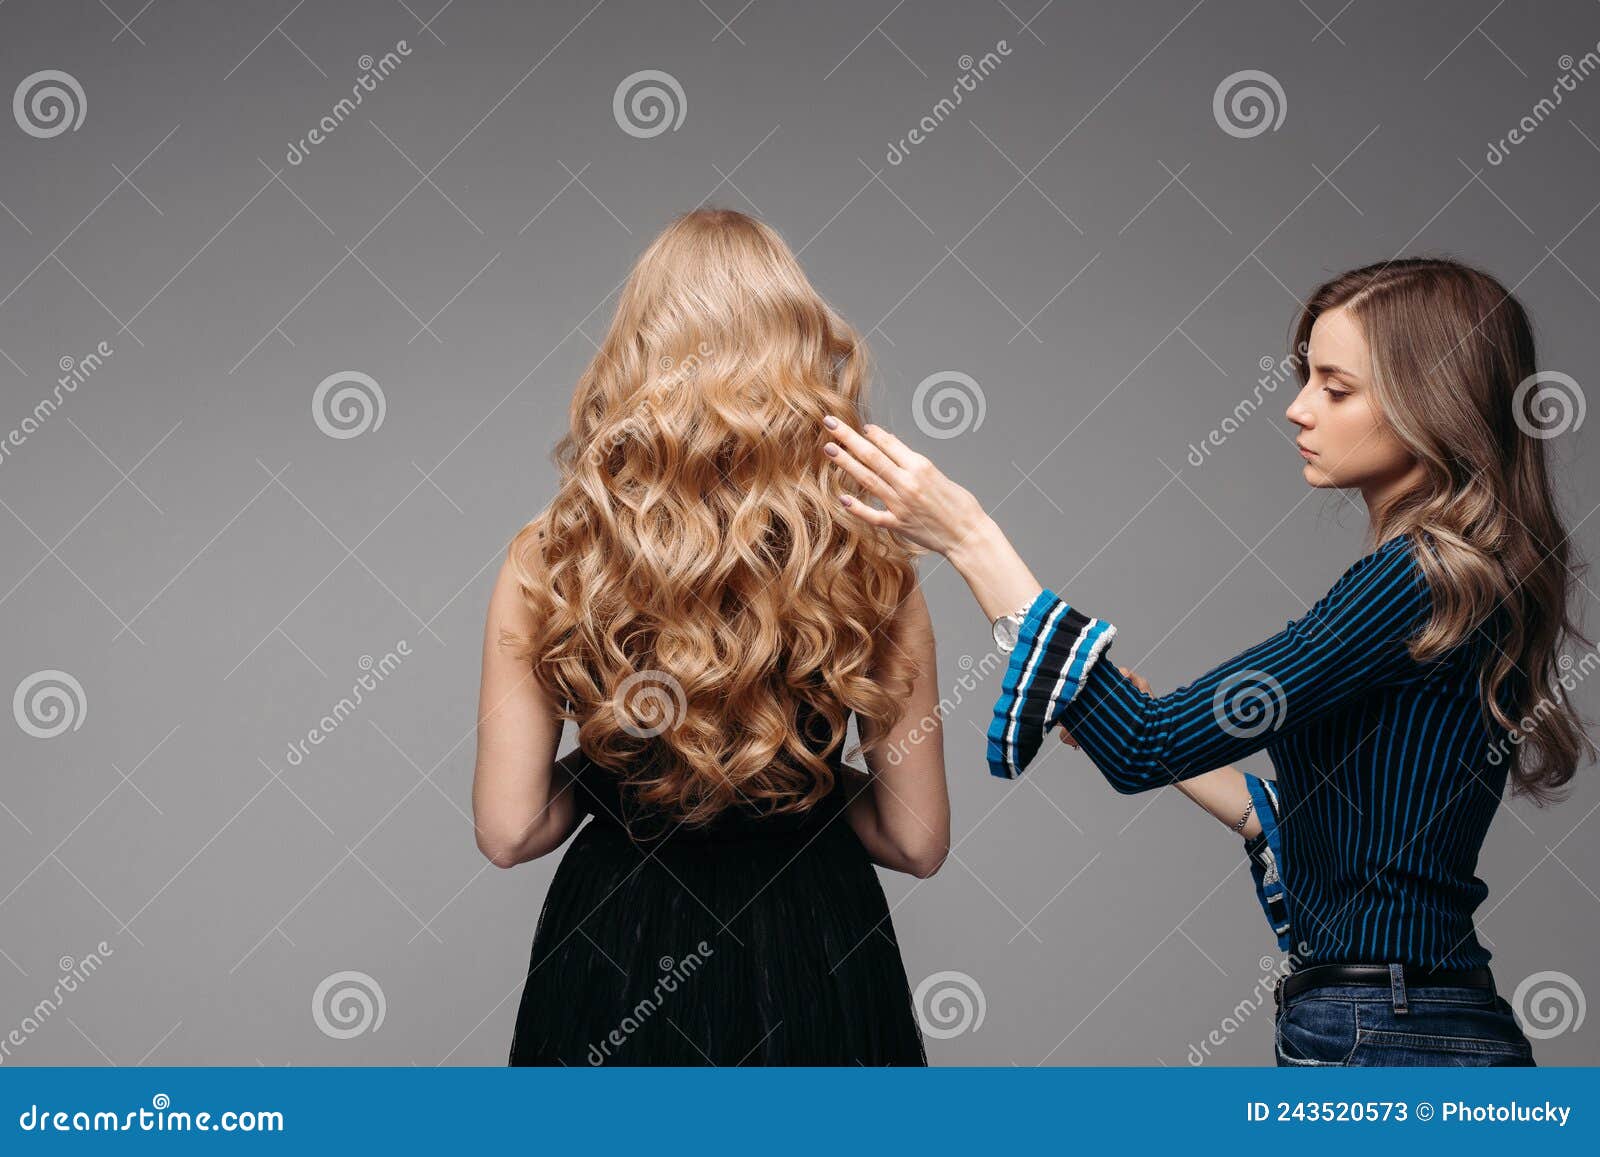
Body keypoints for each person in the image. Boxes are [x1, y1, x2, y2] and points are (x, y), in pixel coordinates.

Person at [820, 257, 1592, 1066]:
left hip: (1391, 1034)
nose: (1296, 410)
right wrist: (1115, 707)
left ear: (1431, 403)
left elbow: (1143, 745)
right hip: (1418, 1023)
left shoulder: (1412, 580)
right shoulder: (1451, 575)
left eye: (1336, 388)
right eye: (1305, 379)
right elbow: (1365, 837)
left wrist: (968, 536)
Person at [473, 208, 948, 1065]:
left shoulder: (551, 558)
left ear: (637, 354)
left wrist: (617, 768)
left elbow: (512, 830)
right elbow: (914, 841)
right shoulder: (868, 560)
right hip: (816, 949)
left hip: (613, 953)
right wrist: (790, 774)